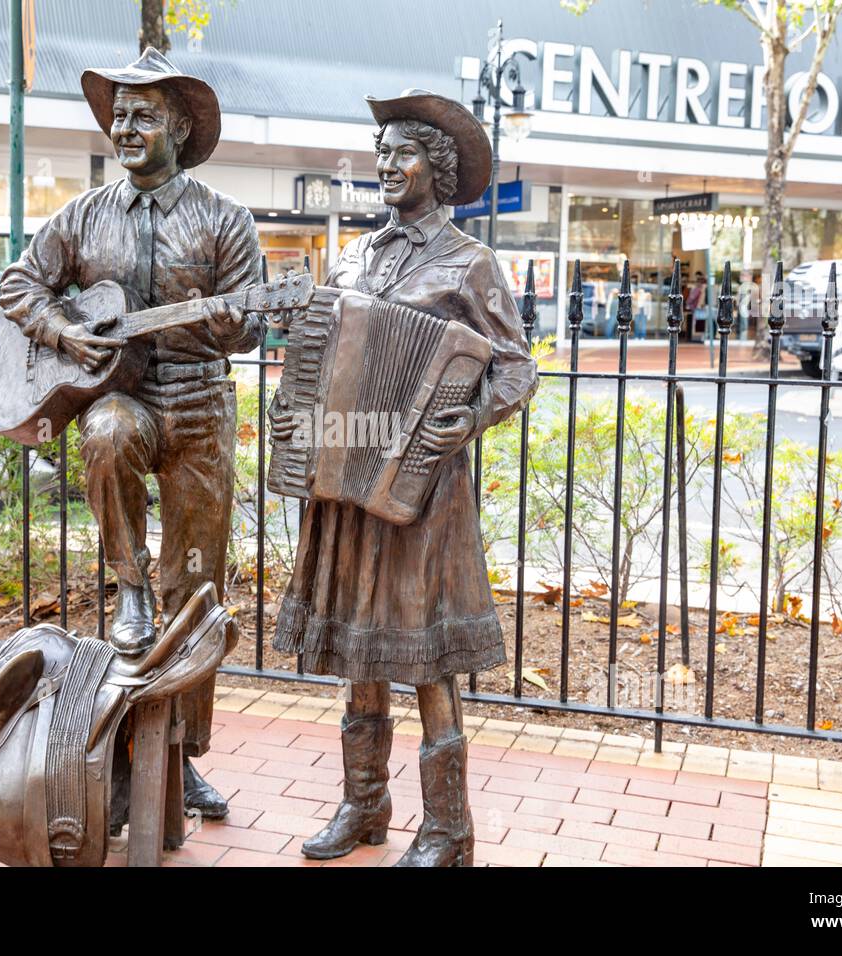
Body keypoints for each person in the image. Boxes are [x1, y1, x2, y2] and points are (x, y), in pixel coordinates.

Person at [270, 89, 537, 866]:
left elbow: (517, 368)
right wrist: (298, 410)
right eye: (381, 153)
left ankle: (448, 830)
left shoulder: (470, 261)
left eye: (404, 153)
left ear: (438, 168)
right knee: (359, 653)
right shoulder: (358, 253)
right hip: (348, 486)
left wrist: (473, 414)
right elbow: (322, 355)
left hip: (422, 493)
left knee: (426, 659)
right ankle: (365, 806)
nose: (388, 166)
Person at [0, 47, 262, 820]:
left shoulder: (225, 220)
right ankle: (128, 586)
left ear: (178, 126)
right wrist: (58, 330)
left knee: (199, 591)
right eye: (118, 115)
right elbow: (19, 282)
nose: (125, 127)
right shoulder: (83, 215)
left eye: (143, 115)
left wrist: (230, 323)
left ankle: (179, 758)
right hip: (128, 399)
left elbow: (248, 326)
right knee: (105, 432)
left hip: (199, 411)